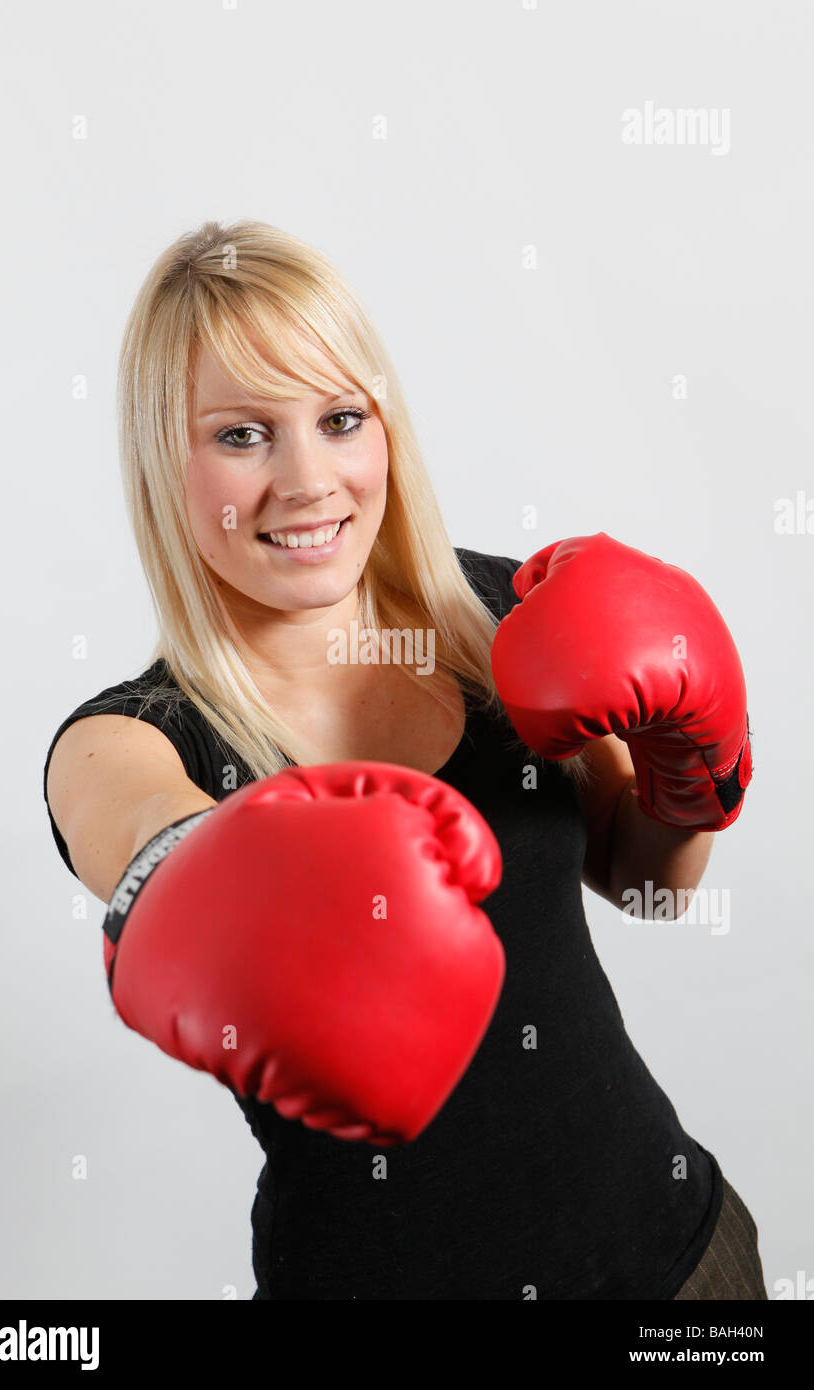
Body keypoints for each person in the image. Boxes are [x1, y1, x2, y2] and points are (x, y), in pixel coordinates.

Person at [43, 219, 767, 1300]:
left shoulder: (500, 617)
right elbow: (146, 830)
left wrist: (684, 768)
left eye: (339, 419)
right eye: (240, 435)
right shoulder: (131, 738)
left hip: (677, 1263)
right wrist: (206, 871)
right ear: (163, 456)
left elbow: (646, 892)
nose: (306, 480)